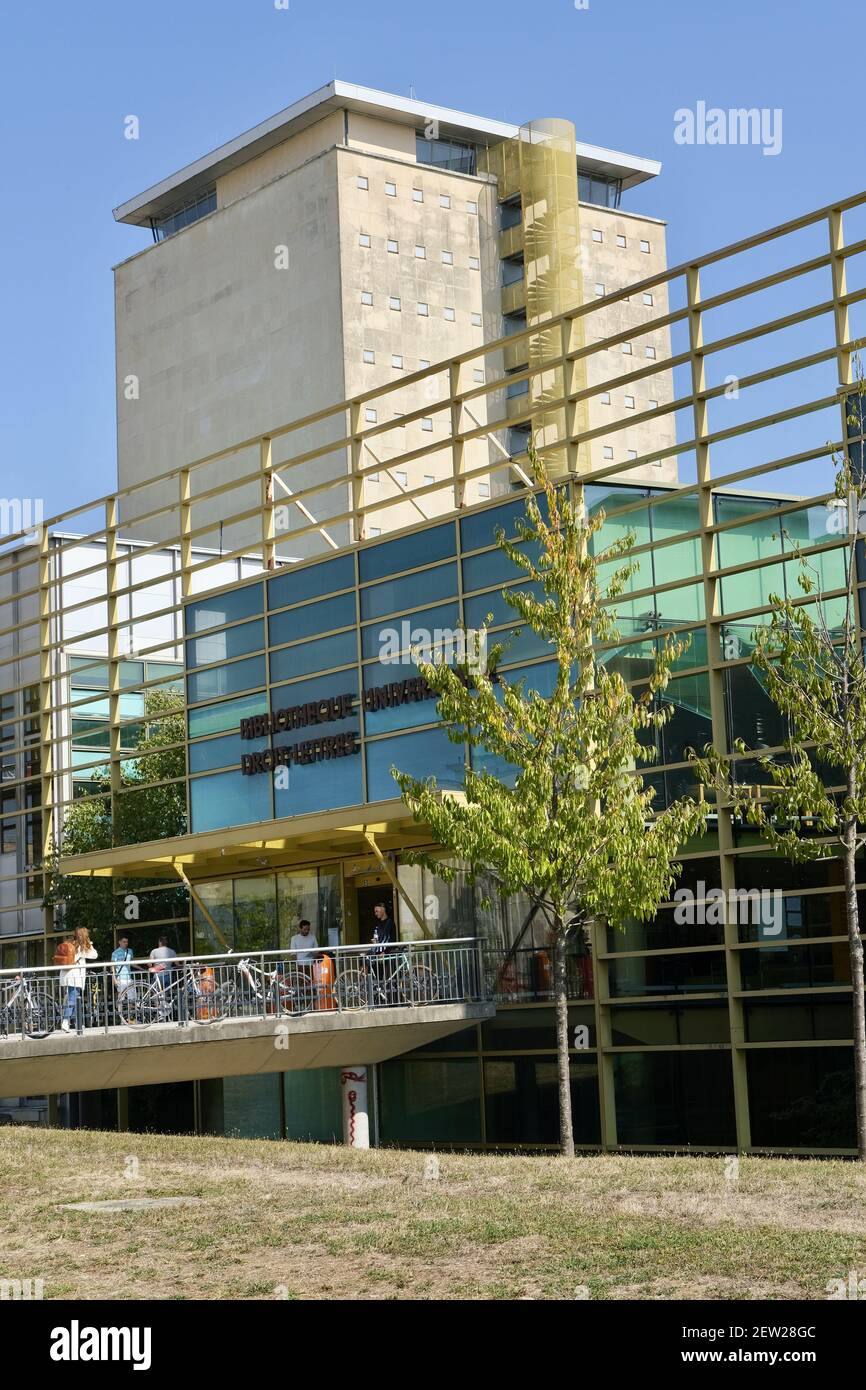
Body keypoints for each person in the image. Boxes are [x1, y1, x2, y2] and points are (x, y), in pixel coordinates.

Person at [59, 928, 98, 1033]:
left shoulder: (70, 943)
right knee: (73, 998)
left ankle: (78, 1023)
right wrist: (89, 944)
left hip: (66, 974)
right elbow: (95, 955)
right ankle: (66, 1021)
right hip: (75, 976)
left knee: (76, 999)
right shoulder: (82, 947)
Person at [289, 919, 318, 1008]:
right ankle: (301, 1004)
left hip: (311, 965)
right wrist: (297, 963)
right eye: (305, 929)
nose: (307, 931)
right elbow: (293, 953)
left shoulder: (312, 937)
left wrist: (314, 955)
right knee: (300, 986)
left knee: (310, 985)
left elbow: (316, 950)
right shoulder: (294, 938)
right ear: (300, 928)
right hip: (300, 965)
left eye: (308, 929)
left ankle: (310, 1004)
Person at [111, 935, 136, 1018]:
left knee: (132, 998)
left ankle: (130, 1017)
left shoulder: (130, 951)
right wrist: (114, 978)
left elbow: (132, 963)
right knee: (121, 999)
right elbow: (112, 966)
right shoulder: (115, 953)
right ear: (120, 942)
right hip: (120, 978)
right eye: (124, 942)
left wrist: (142, 968)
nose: (126, 943)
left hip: (129, 977)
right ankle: (122, 1018)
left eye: (127, 942)